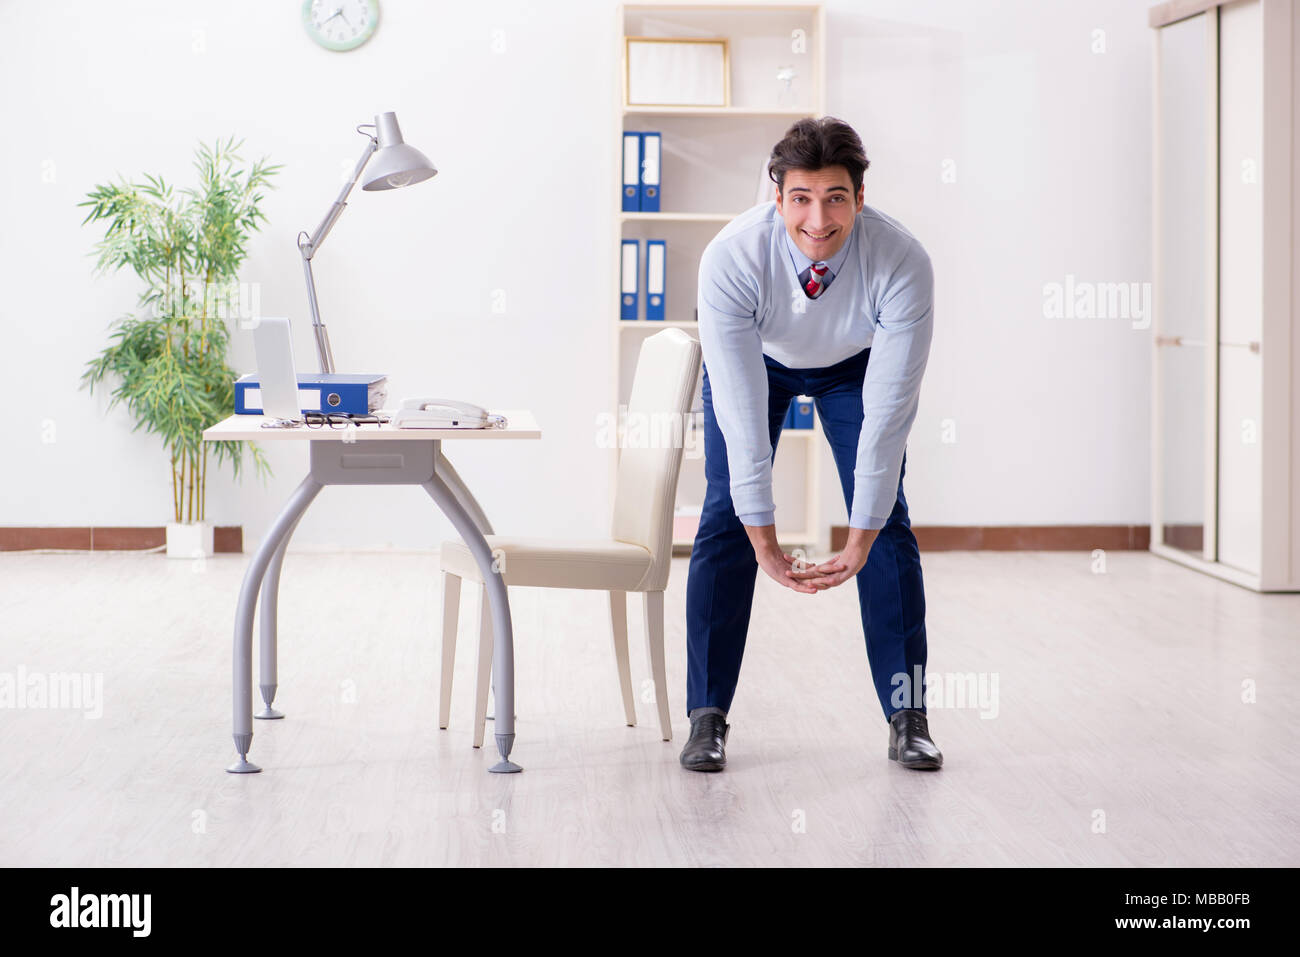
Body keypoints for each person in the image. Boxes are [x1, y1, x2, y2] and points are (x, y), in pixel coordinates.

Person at [679, 116, 942, 773]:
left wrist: (859, 539)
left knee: (889, 525)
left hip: (854, 365)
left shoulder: (903, 261)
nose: (817, 220)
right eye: (801, 198)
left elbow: (885, 419)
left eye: (834, 198)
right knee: (723, 519)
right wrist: (763, 539)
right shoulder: (733, 257)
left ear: (859, 196)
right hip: (758, 360)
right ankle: (706, 717)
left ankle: (908, 717)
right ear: (778, 197)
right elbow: (741, 416)